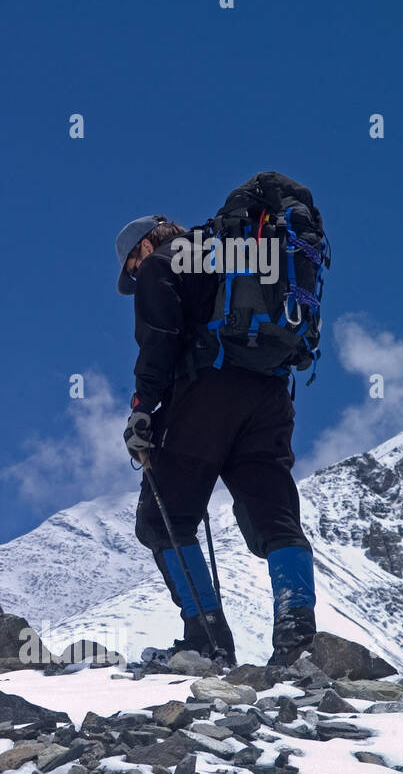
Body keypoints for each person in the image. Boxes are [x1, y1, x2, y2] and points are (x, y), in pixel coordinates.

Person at [115, 214, 317, 667]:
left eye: (131, 265)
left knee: (163, 518)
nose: (134, 273)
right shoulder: (234, 252)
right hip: (271, 392)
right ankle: (297, 635)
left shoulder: (160, 263)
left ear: (146, 245)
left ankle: (207, 640)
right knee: (275, 515)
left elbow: (159, 339)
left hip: (207, 393)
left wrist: (144, 407)